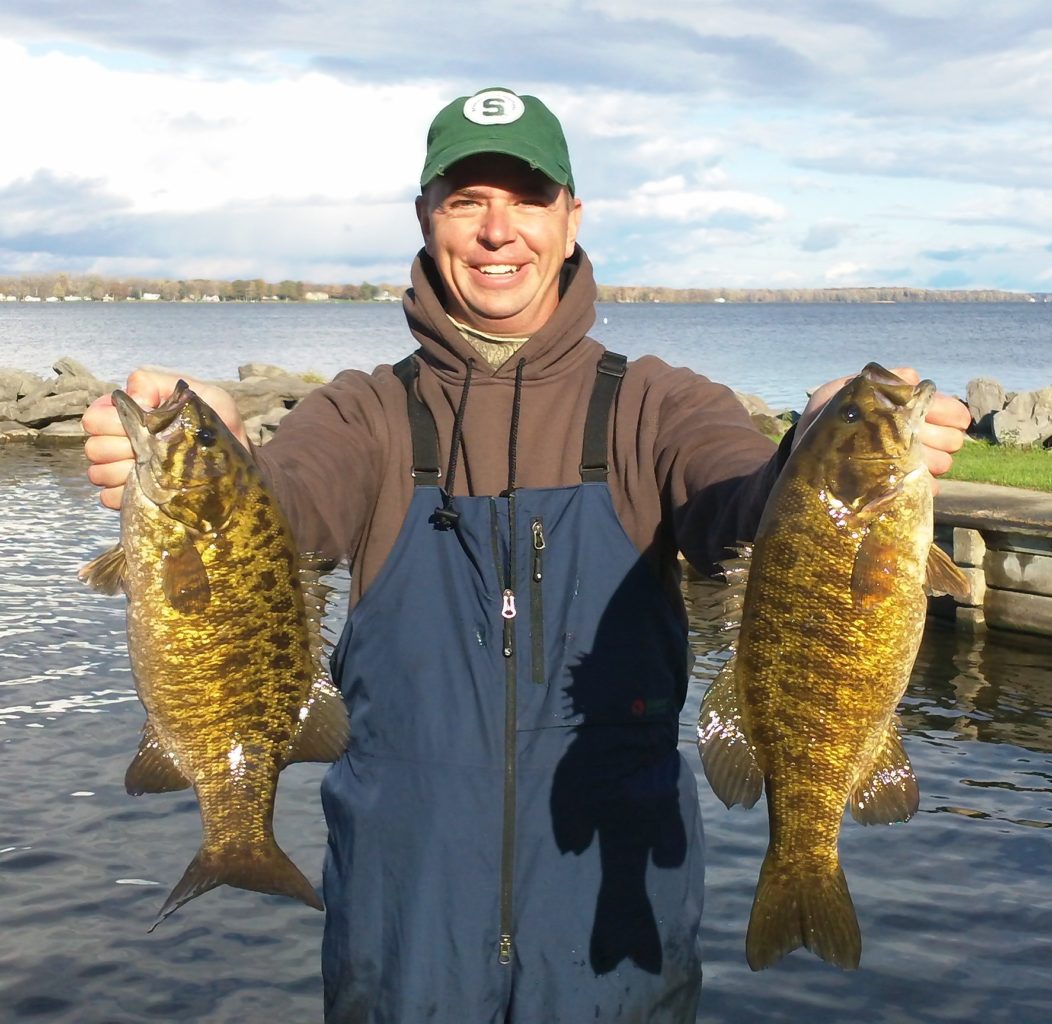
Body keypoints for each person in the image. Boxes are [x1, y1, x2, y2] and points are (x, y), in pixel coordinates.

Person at [83, 87, 970, 1023]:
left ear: (572, 218)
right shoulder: (362, 413)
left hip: (614, 920)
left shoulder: (659, 404)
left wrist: (819, 445)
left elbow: (741, 510)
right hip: (402, 920)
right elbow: (286, 511)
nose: (498, 230)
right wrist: (220, 461)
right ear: (427, 220)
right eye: (467, 200)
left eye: (528, 199)